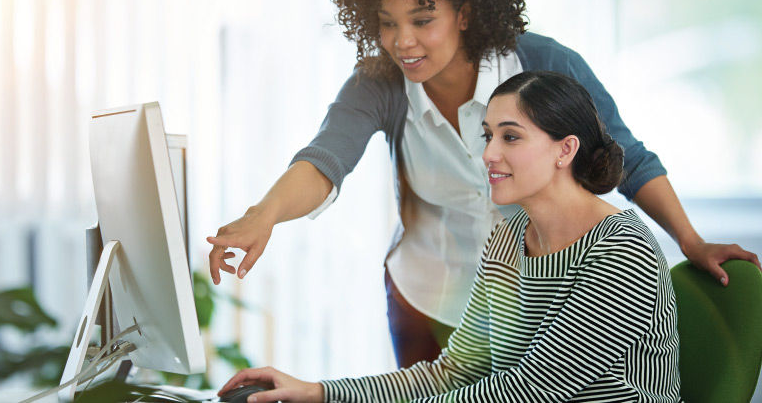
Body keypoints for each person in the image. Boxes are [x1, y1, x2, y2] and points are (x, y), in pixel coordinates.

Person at [206, 0, 759, 368]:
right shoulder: (378, 83)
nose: (403, 42)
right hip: (427, 296)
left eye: (423, 20)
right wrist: (264, 216)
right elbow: (326, 159)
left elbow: (628, 157)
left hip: (542, 296)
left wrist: (689, 240)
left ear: (466, 11)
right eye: (386, 22)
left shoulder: (542, 64)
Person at [217, 71, 683, 403]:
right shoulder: (508, 238)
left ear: (566, 149)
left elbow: (532, 391)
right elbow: (454, 373)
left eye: (511, 137)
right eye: (487, 136)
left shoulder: (621, 247)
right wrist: (318, 392)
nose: (489, 155)